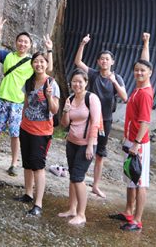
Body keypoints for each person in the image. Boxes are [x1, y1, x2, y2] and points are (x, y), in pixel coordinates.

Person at [0, 24, 53, 176]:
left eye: (26, 42)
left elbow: (49, 68)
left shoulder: (32, 62)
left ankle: (14, 163)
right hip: (3, 98)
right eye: (20, 41)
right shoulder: (8, 56)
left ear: (30, 45)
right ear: (16, 42)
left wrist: (49, 50)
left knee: (15, 134)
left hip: (19, 102)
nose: (22, 44)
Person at [74, 34, 132, 198]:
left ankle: (96, 185)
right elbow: (78, 63)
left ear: (112, 62)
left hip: (105, 120)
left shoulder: (117, 77)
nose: (104, 61)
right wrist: (82, 44)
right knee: (86, 147)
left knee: (100, 153)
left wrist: (114, 81)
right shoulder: (93, 75)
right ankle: (81, 179)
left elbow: (125, 97)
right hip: (90, 118)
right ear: (98, 62)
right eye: (102, 59)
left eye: (107, 59)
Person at [14, 51, 60, 216]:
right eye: (36, 62)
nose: (39, 64)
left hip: (42, 131)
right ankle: (28, 194)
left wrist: (48, 97)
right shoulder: (28, 82)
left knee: (38, 166)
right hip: (26, 127)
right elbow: (26, 104)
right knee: (27, 163)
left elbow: (54, 110)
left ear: (46, 64)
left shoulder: (51, 84)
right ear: (32, 64)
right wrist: (21, 121)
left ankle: (38, 204)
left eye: (42, 62)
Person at [117, 32, 154, 232]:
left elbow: (146, 122)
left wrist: (137, 144)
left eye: (142, 71)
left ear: (150, 73)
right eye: (136, 70)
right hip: (130, 140)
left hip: (138, 143)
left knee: (140, 181)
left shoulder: (145, 94)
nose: (139, 73)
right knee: (130, 177)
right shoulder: (140, 87)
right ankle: (128, 212)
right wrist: (146, 43)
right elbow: (144, 62)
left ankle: (137, 221)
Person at [58, 69, 102, 225]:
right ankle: (72, 209)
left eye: (80, 82)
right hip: (72, 142)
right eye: (74, 81)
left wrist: (90, 145)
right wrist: (65, 110)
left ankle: (82, 214)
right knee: (72, 177)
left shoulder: (92, 98)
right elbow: (64, 124)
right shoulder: (70, 98)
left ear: (86, 83)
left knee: (78, 177)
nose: (76, 84)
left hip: (86, 145)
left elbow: (95, 123)